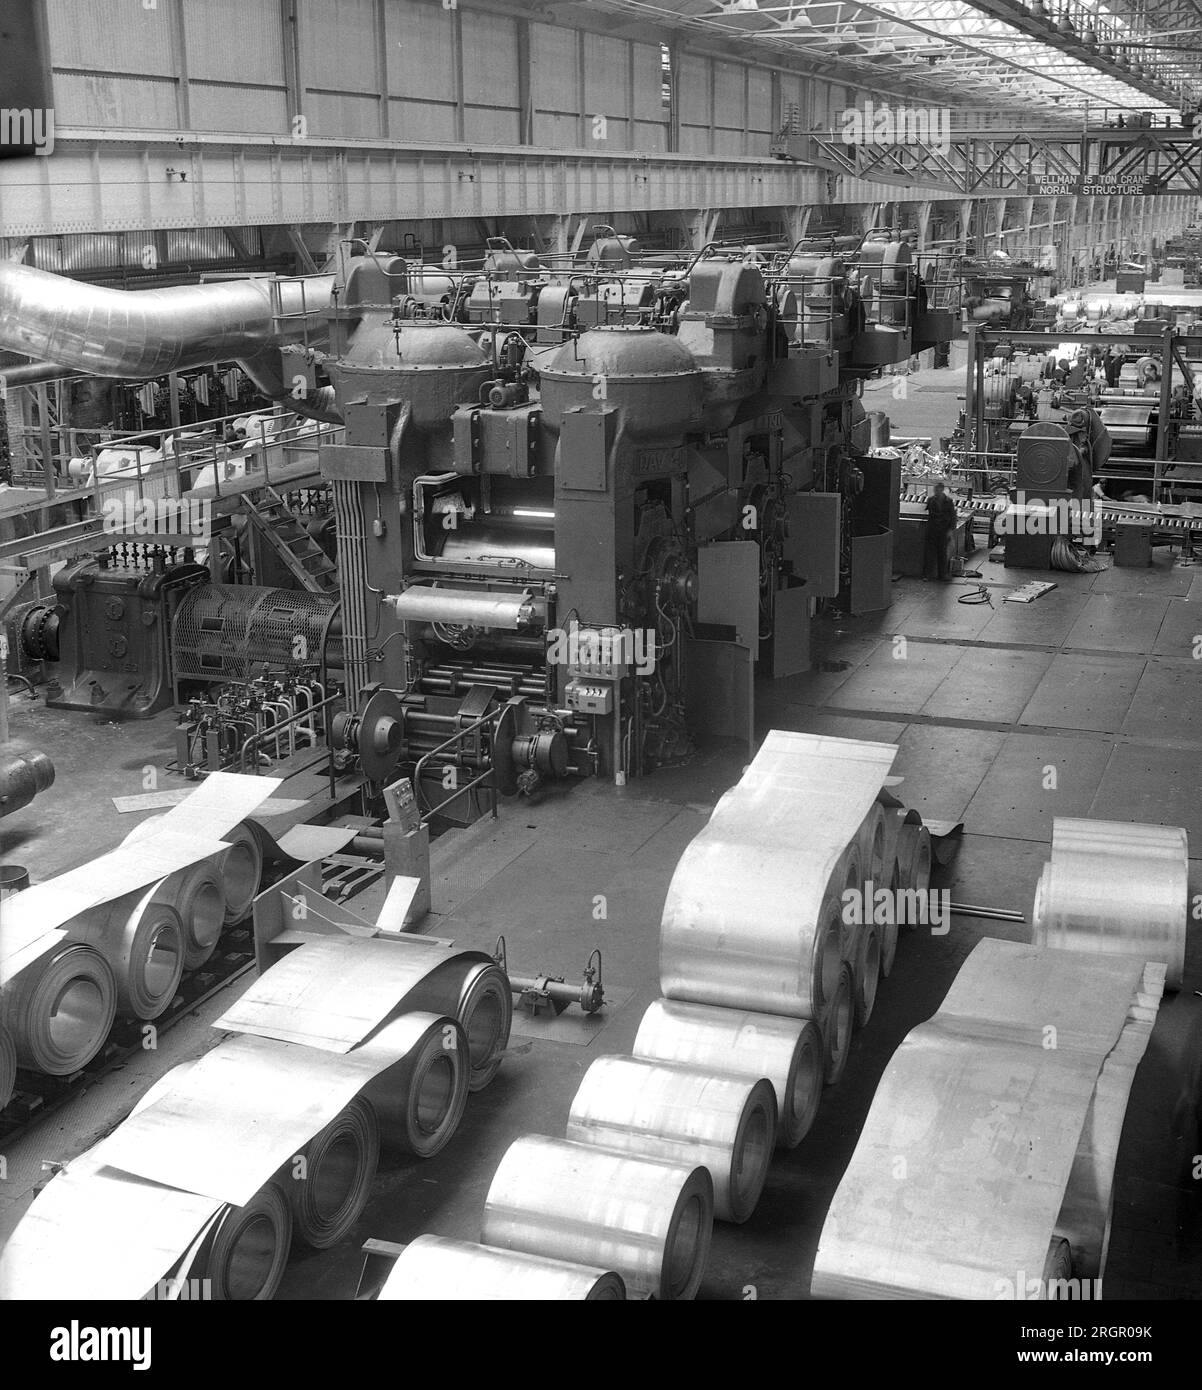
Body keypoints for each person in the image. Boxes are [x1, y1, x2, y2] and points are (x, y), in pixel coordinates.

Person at [924, 480, 958, 581]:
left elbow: (952, 516)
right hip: (932, 529)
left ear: (942, 489)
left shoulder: (948, 501)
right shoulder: (931, 500)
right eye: (935, 489)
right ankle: (928, 574)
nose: (935, 491)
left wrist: (950, 530)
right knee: (930, 553)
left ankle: (942, 574)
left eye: (937, 489)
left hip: (943, 530)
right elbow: (929, 514)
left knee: (942, 553)